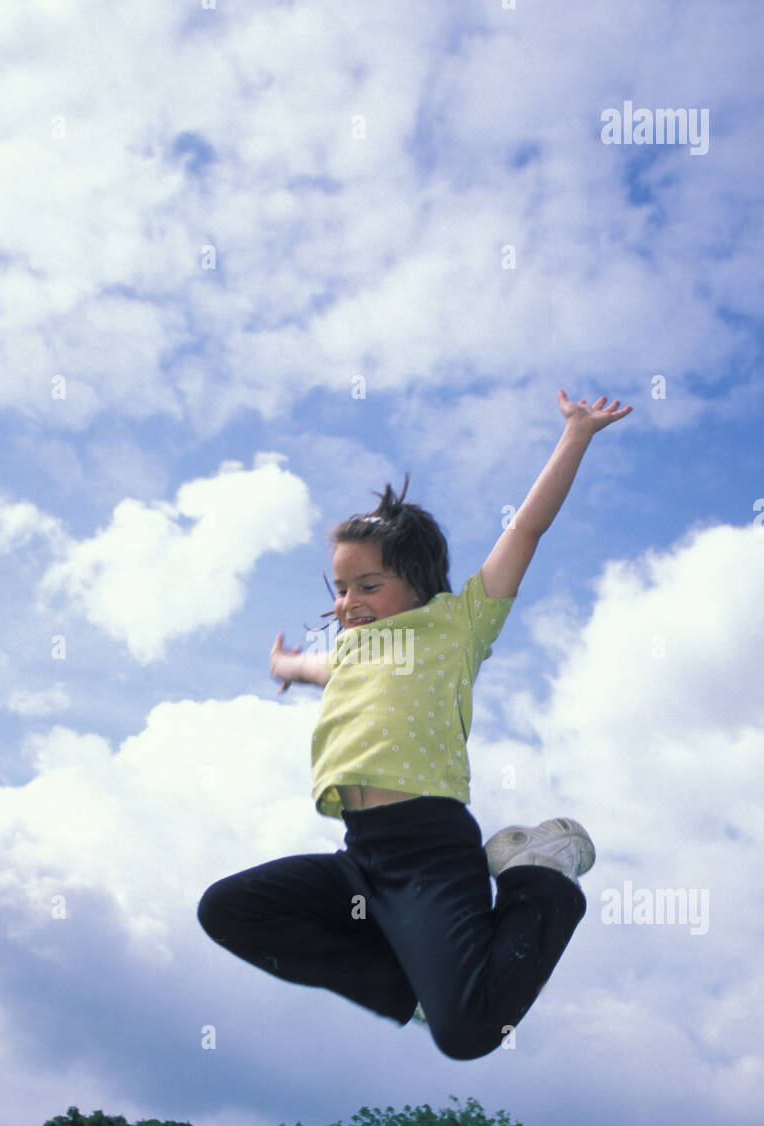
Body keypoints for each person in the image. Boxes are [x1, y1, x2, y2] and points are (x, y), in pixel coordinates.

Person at [197, 390, 632, 1059]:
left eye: (367, 586)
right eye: (341, 590)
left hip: (430, 851)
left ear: (418, 583)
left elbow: (524, 532)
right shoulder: (347, 653)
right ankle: (410, 992)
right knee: (229, 910)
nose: (348, 603)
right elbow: (321, 670)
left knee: (469, 1037)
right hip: (360, 855)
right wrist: (286, 662)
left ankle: (539, 874)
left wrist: (575, 434)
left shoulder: (455, 626)